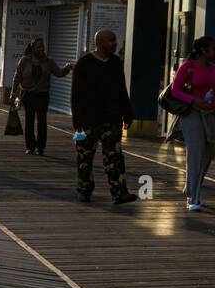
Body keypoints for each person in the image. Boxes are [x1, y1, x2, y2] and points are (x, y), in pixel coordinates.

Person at [71, 29, 137, 205]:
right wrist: (77, 122)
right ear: (99, 42)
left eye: (115, 40)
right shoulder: (84, 64)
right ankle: (84, 189)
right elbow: (75, 94)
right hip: (88, 121)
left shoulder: (115, 63)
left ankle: (119, 192)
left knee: (115, 157)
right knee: (84, 158)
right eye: (111, 40)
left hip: (112, 119)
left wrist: (127, 113)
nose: (115, 43)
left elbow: (122, 89)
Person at [170, 36, 215, 212]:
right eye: (213, 49)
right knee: (195, 155)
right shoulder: (187, 66)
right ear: (203, 51)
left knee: (207, 156)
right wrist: (194, 100)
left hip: (210, 115)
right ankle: (193, 197)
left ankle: (190, 187)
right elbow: (175, 90)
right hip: (191, 114)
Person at [9, 38, 74, 156]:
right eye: (39, 47)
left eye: (42, 47)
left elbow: (59, 73)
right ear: (33, 48)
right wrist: (13, 93)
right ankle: (30, 147)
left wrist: (67, 68)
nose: (41, 49)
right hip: (28, 94)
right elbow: (17, 77)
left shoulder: (48, 62)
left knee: (42, 121)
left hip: (42, 95)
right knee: (29, 121)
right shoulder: (24, 61)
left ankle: (40, 147)